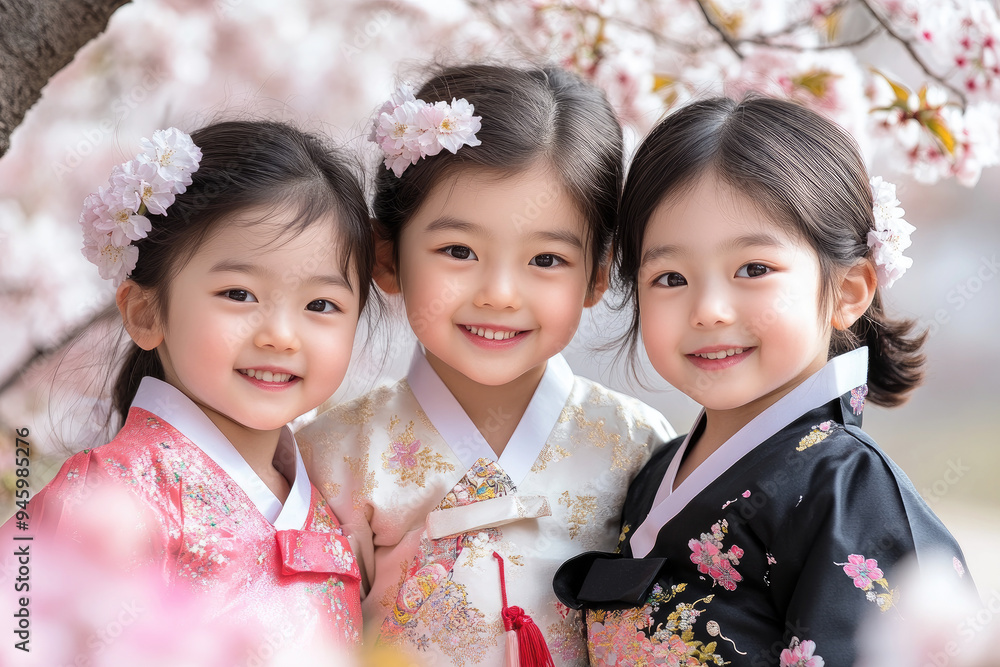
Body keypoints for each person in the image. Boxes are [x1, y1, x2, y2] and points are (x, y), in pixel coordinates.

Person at [552, 96, 972, 667]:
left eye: (753, 269)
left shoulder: (848, 492)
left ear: (847, 291)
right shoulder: (656, 468)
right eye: (670, 277)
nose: (709, 310)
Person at [295, 65, 674, 666]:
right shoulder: (333, 453)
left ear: (597, 275)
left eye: (546, 259)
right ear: (387, 257)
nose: (499, 294)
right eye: (458, 251)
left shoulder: (640, 447)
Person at [3, 121, 375, 649]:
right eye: (239, 294)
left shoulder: (336, 497)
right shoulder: (111, 496)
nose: (280, 335)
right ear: (146, 312)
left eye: (321, 304)